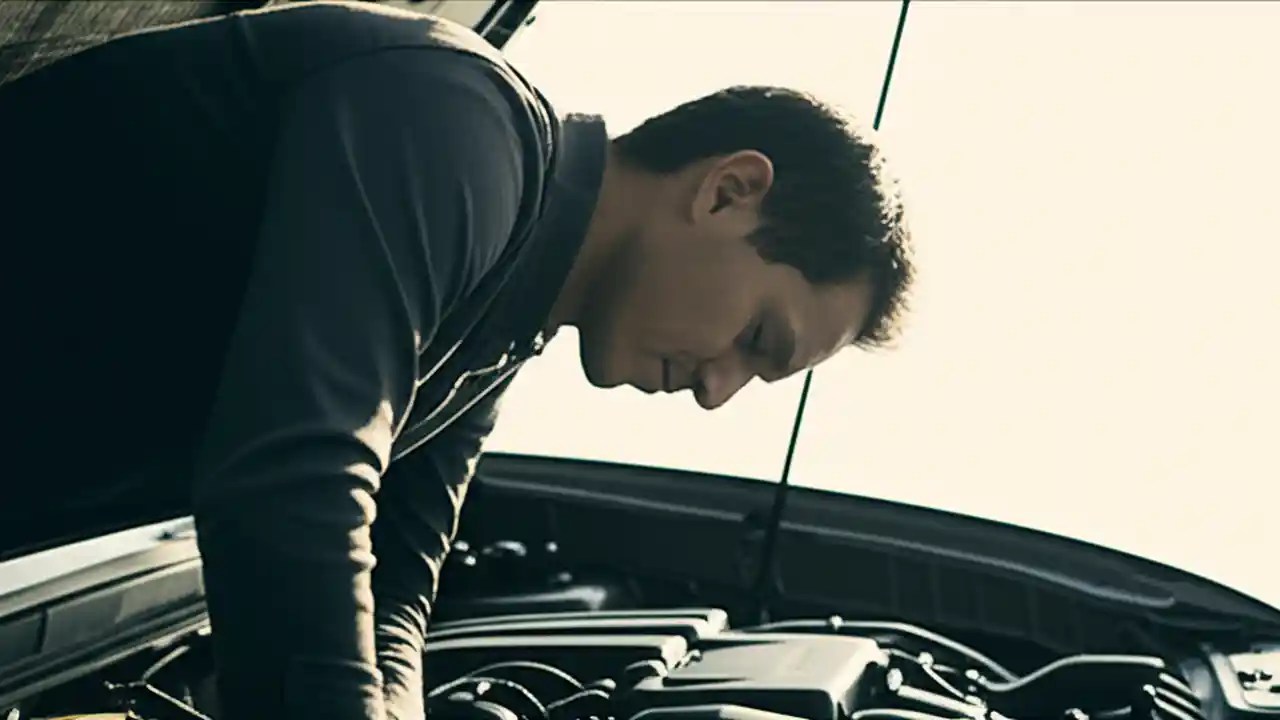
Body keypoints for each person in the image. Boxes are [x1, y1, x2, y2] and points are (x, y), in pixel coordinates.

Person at [0, 1, 913, 719]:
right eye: (759, 341)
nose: (719, 392)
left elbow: (397, 581)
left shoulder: (495, 333)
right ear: (727, 191)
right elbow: (293, 477)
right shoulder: (456, 124)